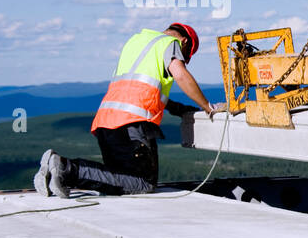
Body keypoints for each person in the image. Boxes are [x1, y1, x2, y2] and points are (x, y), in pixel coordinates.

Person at [34, 23, 224, 198]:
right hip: (132, 126)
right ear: (185, 41)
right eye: (186, 55)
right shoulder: (171, 42)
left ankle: (52, 172)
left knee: (118, 179)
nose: (183, 58)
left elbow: (143, 91)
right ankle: (67, 169)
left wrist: (182, 110)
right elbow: (181, 75)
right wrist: (209, 107)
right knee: (142, 183)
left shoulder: (135, 42)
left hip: (106, 121)